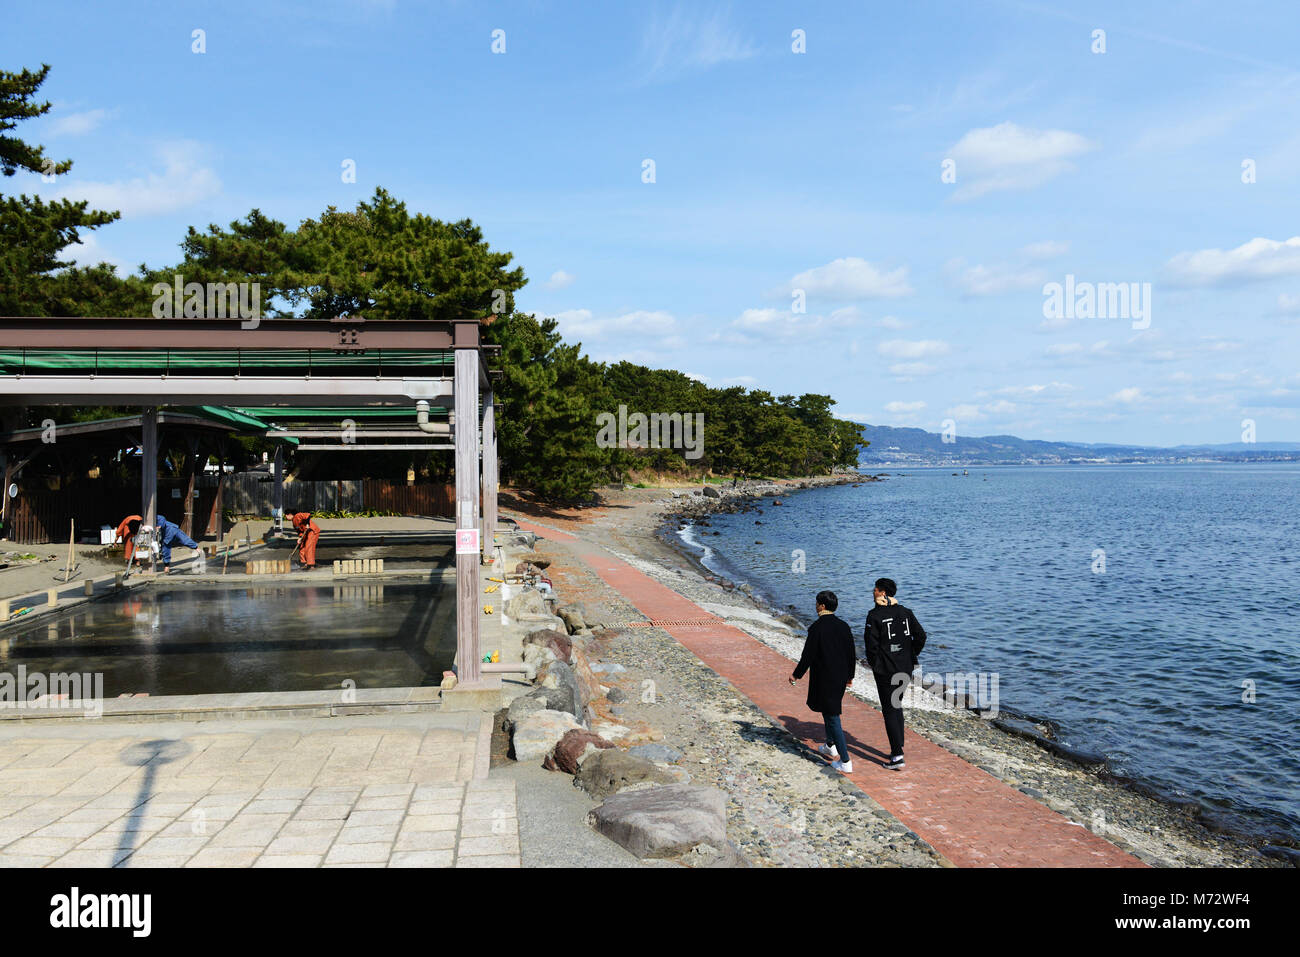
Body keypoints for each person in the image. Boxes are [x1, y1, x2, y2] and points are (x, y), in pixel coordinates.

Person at [790, 590, 858, 773]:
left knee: (833, 717)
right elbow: (852, 654)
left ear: (822, 605)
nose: (815, 606)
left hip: (825, 678)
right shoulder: (844, 626)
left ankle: (845, 761)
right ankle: (830, 745)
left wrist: (796, 675)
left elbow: (808, 656)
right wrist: (850, 676)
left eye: (816, 603)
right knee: (829, 712)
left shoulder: (816, 628)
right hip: (841, 677)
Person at [863, 577, 927, 770]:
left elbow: (871, 646)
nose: (872, 592)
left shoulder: (874, 616)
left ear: (882, 592)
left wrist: (876, 664)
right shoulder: (906, 612)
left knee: (890, 709)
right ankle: (898, 747)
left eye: (875, 590)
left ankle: (897, 756)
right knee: (896, 705)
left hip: (886, 670)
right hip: (905, 667)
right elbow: (921, 636)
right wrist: (910, 654)